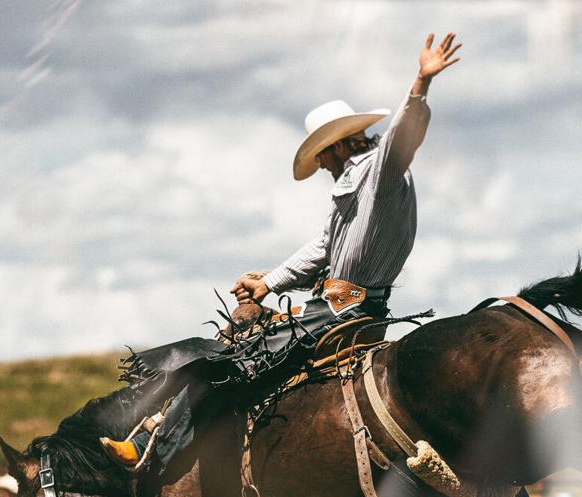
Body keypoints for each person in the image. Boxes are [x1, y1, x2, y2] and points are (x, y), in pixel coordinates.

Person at [102, 32, 463, 471]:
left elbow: (402, 138)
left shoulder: (377, 172)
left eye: (324, 157)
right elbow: (325, 246)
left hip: (341, 308)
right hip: (346, 305)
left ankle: (148, 450)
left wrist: (420, 85)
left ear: (339, 145)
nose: (324, 167)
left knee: (233, 362)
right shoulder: (360, 185)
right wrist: (268, 282)